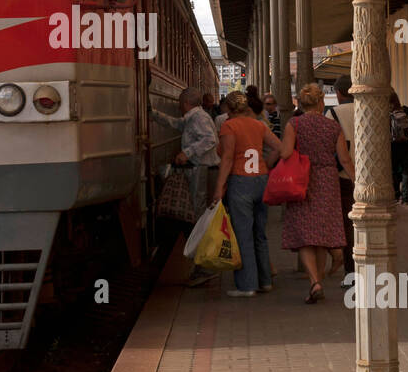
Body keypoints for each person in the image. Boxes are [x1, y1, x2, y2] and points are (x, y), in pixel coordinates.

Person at [278, 83, 355, 304]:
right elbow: (344, 158)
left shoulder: (295, 123)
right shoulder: (332, 127)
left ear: (301, 104)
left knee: (304, 233)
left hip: (302, 181)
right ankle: (319, 277)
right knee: (321, 234)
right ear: (321, 103)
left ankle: (315, 281)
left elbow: (285, 153)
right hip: (327, 181)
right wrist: (356, 181)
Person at [211, 90, 282, 297]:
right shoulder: (259, 125)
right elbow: (279, 147)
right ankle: (265, 281)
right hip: (261, 181)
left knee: (243, 235)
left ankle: (247, 285)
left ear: (230, 109)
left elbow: (227, 158)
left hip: (240, 182)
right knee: (260, 234)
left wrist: (219, 187)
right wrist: (266, 164)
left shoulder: (229, 126)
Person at [151, 87, 221, 287]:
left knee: (197, 218)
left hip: (200, 170)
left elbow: (210, 139)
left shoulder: (198, 117)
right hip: (199, 169)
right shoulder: (194, 117)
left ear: (184, 103)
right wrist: (154, 115)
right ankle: (202, 266)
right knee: (195, 217)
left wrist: (187, 153)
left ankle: (204, 268)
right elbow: (177, 124)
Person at [325, 75, 357, 285]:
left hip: (344, 176)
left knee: (347, 224)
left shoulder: (333, 113)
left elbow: (327, 146)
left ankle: (351, 271)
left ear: (338, 93)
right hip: (370, 174)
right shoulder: (368, 108)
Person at [389, 91, 408, 204]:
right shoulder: (407, 111)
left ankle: (396, 194)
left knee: (394, 170)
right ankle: (406, 197)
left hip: (393, 146)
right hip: (407, 145)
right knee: (406, 171)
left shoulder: (387, 114)